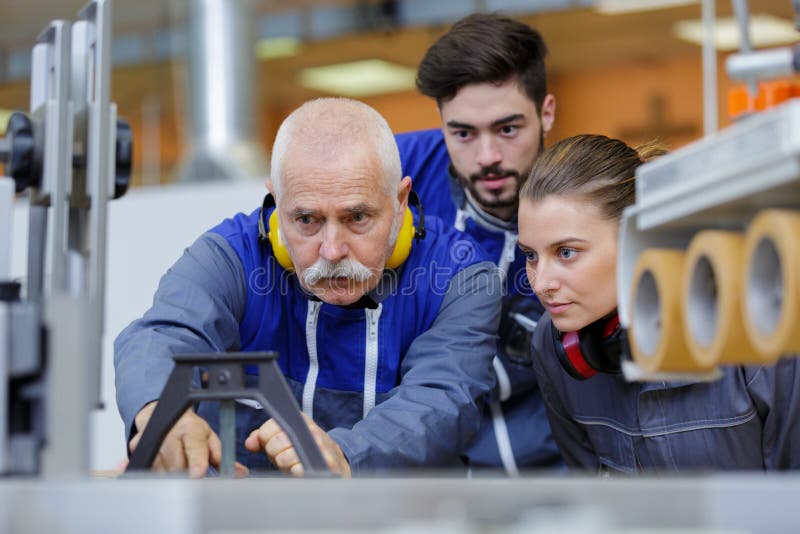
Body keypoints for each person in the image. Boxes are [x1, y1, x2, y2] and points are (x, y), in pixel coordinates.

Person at [114, 98, 502, 477]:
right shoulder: (230, 257)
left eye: (357, 217)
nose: (332, 250)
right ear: (276, 203)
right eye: (306, 220)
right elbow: (161, 336)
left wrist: (345, 454)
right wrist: (158, 412)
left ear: (400, 202)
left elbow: (442, 400)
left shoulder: (460, 275)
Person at [520, 133, 800, 472]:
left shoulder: (759, 331)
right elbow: (595, 501)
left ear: (637, 236)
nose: (542, 283)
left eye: (566, 253)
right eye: (531, 256)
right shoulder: (552, 346)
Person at [394, 13, 562, 474]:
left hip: (550, 468)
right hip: (418, 464)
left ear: (546, 113)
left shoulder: (584, 204)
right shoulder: (394, 173)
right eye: (463, 133)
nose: (487, 157)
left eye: (508, 129)